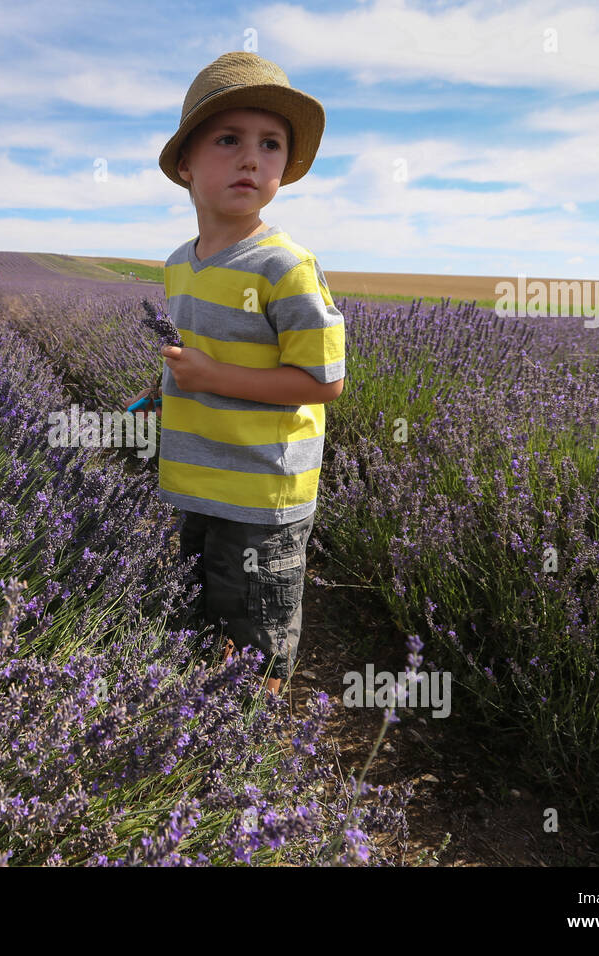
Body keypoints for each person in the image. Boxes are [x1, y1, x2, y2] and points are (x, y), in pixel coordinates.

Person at [152, 51, 345, 697]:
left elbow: (324, 382)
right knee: (195, 622)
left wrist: (213, 378)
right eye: (228, 140)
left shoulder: (285, 266)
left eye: (270, 145)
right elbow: (196, 357)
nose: (250, 159)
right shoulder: (182, 263)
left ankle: (246, 748)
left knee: (255, 638)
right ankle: (184, 736)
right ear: (186, 164)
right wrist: (161, 395)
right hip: (192, 480)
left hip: (264, 495)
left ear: (283, 172)